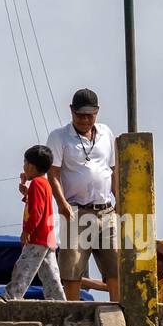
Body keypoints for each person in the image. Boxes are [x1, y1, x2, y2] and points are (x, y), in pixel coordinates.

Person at [46, 88, 118, 302]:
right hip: (75, 210)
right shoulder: (59, 136)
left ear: (97, 112)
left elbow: (113, 171)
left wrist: (119, 201)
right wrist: (62, 204)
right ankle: (73, 311)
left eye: (90, 115)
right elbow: (54, 175)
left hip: (105, 210)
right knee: (72, 267)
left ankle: (118, 308)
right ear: (71, 111)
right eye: (80, 115)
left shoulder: (106, 133)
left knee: (114, 264)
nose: (85, 120)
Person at [2, 144, 66, 301]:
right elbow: (39, 204)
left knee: (24, 267)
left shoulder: (37, 184)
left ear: (31, 165)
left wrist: (27, 231)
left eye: (25, 163)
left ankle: (12, 296)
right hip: (47, 237)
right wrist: (26, 192)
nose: (24, 167)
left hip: (37, 237)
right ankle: (59, 301)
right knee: (50, 275)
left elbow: (36, 211)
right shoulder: (44, 184)